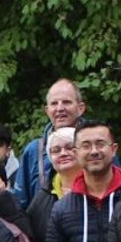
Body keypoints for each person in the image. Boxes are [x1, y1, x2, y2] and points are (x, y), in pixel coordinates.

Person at [12, 79, 87, 212]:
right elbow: (19, 204)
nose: (60, 108)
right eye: (54, 103)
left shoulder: (98, 146)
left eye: (67, 102)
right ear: (47, 111)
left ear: (80, 108)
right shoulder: (34, 151)